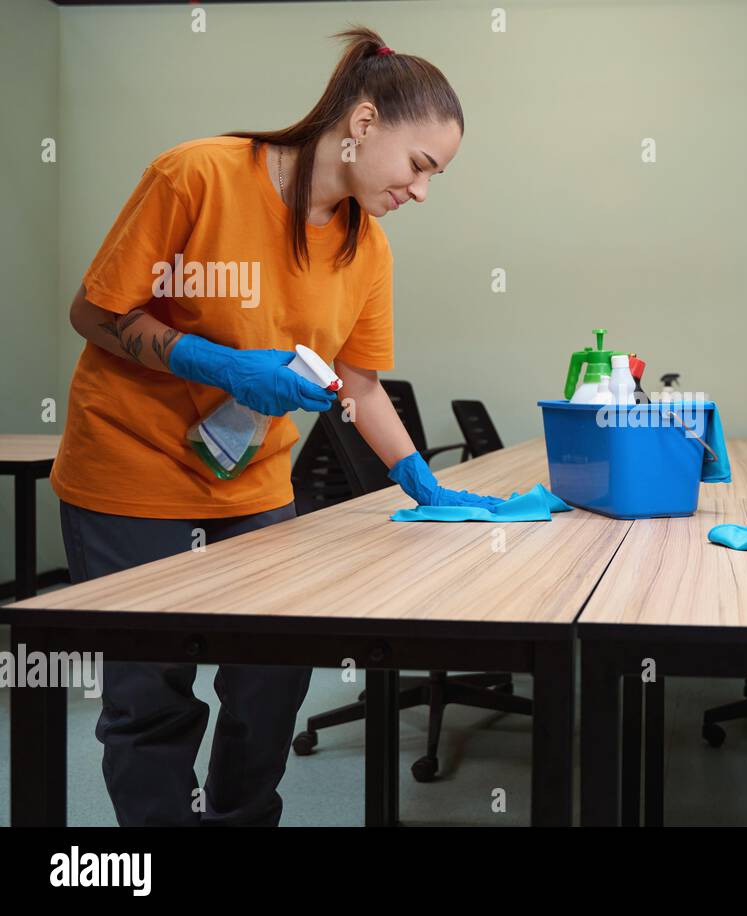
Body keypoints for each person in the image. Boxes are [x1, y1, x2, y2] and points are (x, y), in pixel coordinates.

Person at [52, 26, 497, 826]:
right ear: (363, 125)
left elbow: (359, 382)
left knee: (271, 678)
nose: (423, 190)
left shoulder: (368, 248)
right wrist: (215, 363)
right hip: (130, 473)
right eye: (421, 166)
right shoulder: (197, 175)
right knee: (151, 696)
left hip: (252, 485)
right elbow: (94, 310)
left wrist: (420, 477)